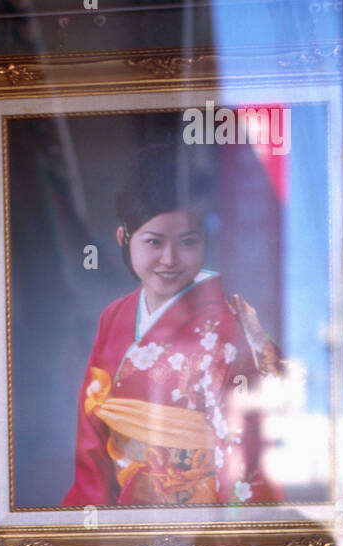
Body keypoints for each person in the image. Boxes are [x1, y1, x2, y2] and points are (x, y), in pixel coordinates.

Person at [63, 145, 281, 508]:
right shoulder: (114, 316)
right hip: (123, 512)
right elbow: (92, 433)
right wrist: (92, 521)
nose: (169, 259)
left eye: (187, 243)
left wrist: (226, 537)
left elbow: (245, 440)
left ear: (204, 242)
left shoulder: (230, 325)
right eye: (153, 242)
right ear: (123, 238)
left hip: (197, 514)